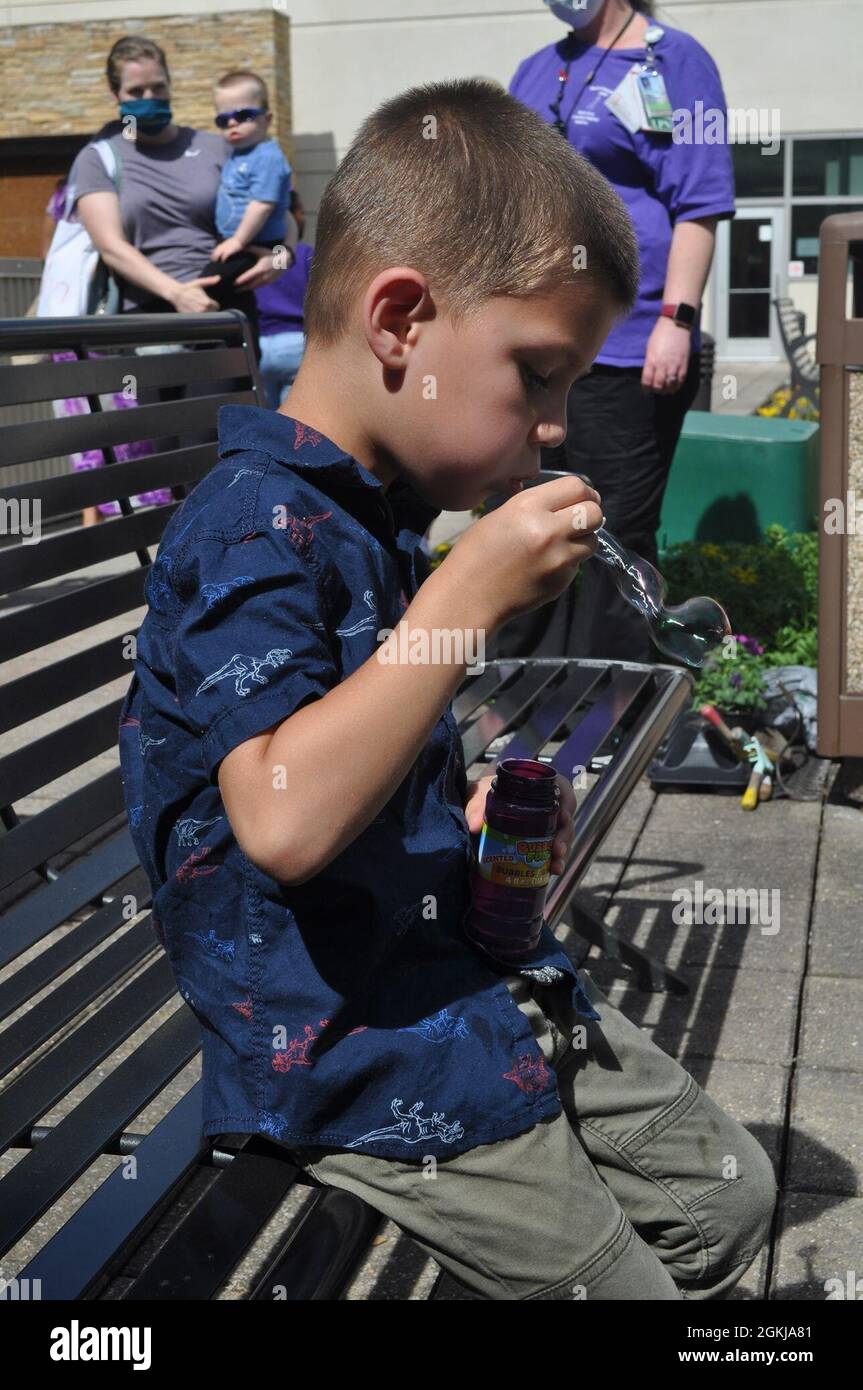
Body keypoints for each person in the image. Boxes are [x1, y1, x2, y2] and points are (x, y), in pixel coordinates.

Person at [117, 79, 775, 1300]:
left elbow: (362, 737)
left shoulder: (367, 518)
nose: (558, 426)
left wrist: (461, 805)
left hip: (455, 974)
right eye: (536, 374)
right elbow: (281, 815)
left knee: (730, 1195)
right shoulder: (251, 528)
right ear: (402, 321)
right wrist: (460, 601)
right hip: (347, 1040)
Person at [489, 0, 735, 664]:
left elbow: (701, 202)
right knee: (533, 519)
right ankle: (522, 689)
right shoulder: (535, 71)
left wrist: (674, 321)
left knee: (613, 530)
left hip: (630, 345)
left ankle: (615, 698)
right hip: (540, 342)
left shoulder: (678, 62)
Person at [64, 35, 284, 362]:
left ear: (170, 85)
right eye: (136, 92)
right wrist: (177, 293)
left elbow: (283, 210)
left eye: (158, 87)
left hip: (226, 311)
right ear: (116, 95)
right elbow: (111, 247)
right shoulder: (97, 160)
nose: (149, 98)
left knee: (226, 412)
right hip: (152, 321)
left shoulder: (218, 146)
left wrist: (279, 258)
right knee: (164, 415)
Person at [205, 68, 294, 300]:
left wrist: (237, 240)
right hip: (237, 241)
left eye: (244, 115)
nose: (233, 123)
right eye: (223, 120)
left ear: (268, 119)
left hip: (255, 241)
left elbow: (262, 205)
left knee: (212, 285)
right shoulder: (239, 153)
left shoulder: (267, 157)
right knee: (233, 295)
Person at [254, 191, 314, 409]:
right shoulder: (306, 253)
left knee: (264, 422)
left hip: (257, 346)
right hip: (295, 344)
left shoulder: (255, 257)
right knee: (292, 425)